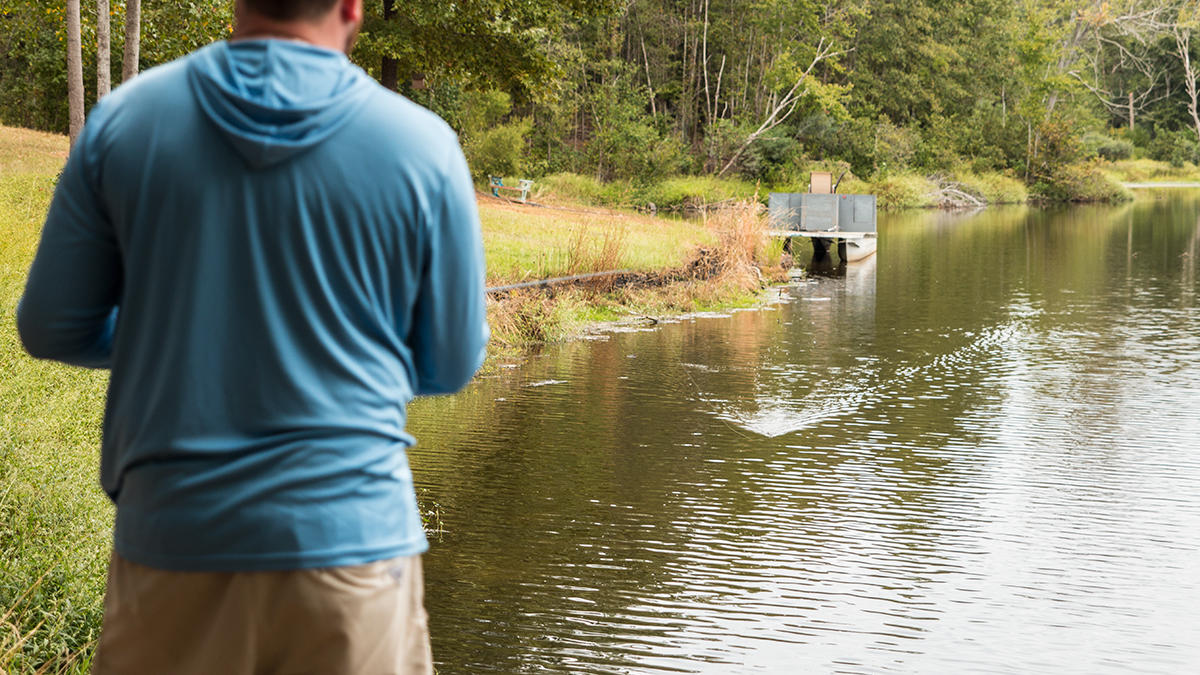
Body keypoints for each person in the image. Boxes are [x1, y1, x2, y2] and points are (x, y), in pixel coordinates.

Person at [16, 0, 488, 671]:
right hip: (353, 548)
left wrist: (185, 334)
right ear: (352, 6)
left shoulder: (126, 121)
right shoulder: (423, 145)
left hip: (172, 543)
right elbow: (452, 360)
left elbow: (51, 326)